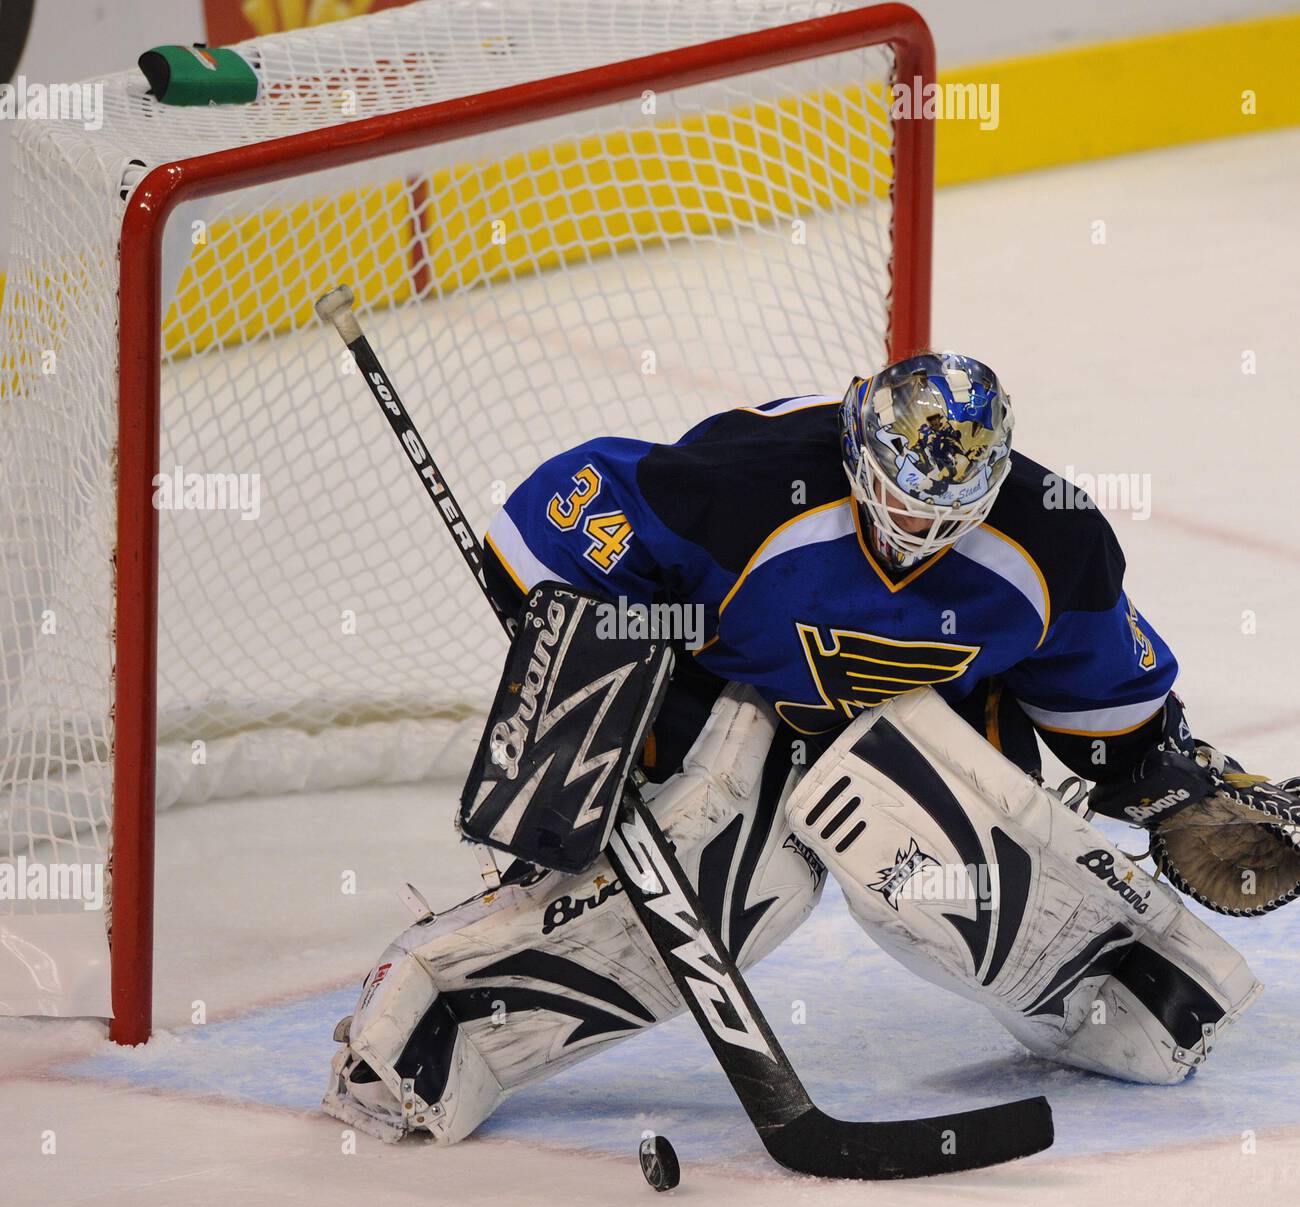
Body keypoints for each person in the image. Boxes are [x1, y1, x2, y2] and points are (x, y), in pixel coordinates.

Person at [324, 352, 1281, 1146]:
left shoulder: (1051, 541)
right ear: (861, 447)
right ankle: (436, 1027)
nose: (917, 537)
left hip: (925, 738)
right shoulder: (744, 487)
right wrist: (600, 701)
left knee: (938, 866)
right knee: (729, 881)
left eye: (945, 520)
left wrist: (1176, 788)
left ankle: (1119, 997)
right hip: (735, 695)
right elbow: (552, 520)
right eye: (902, 507)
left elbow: (1108, 707)